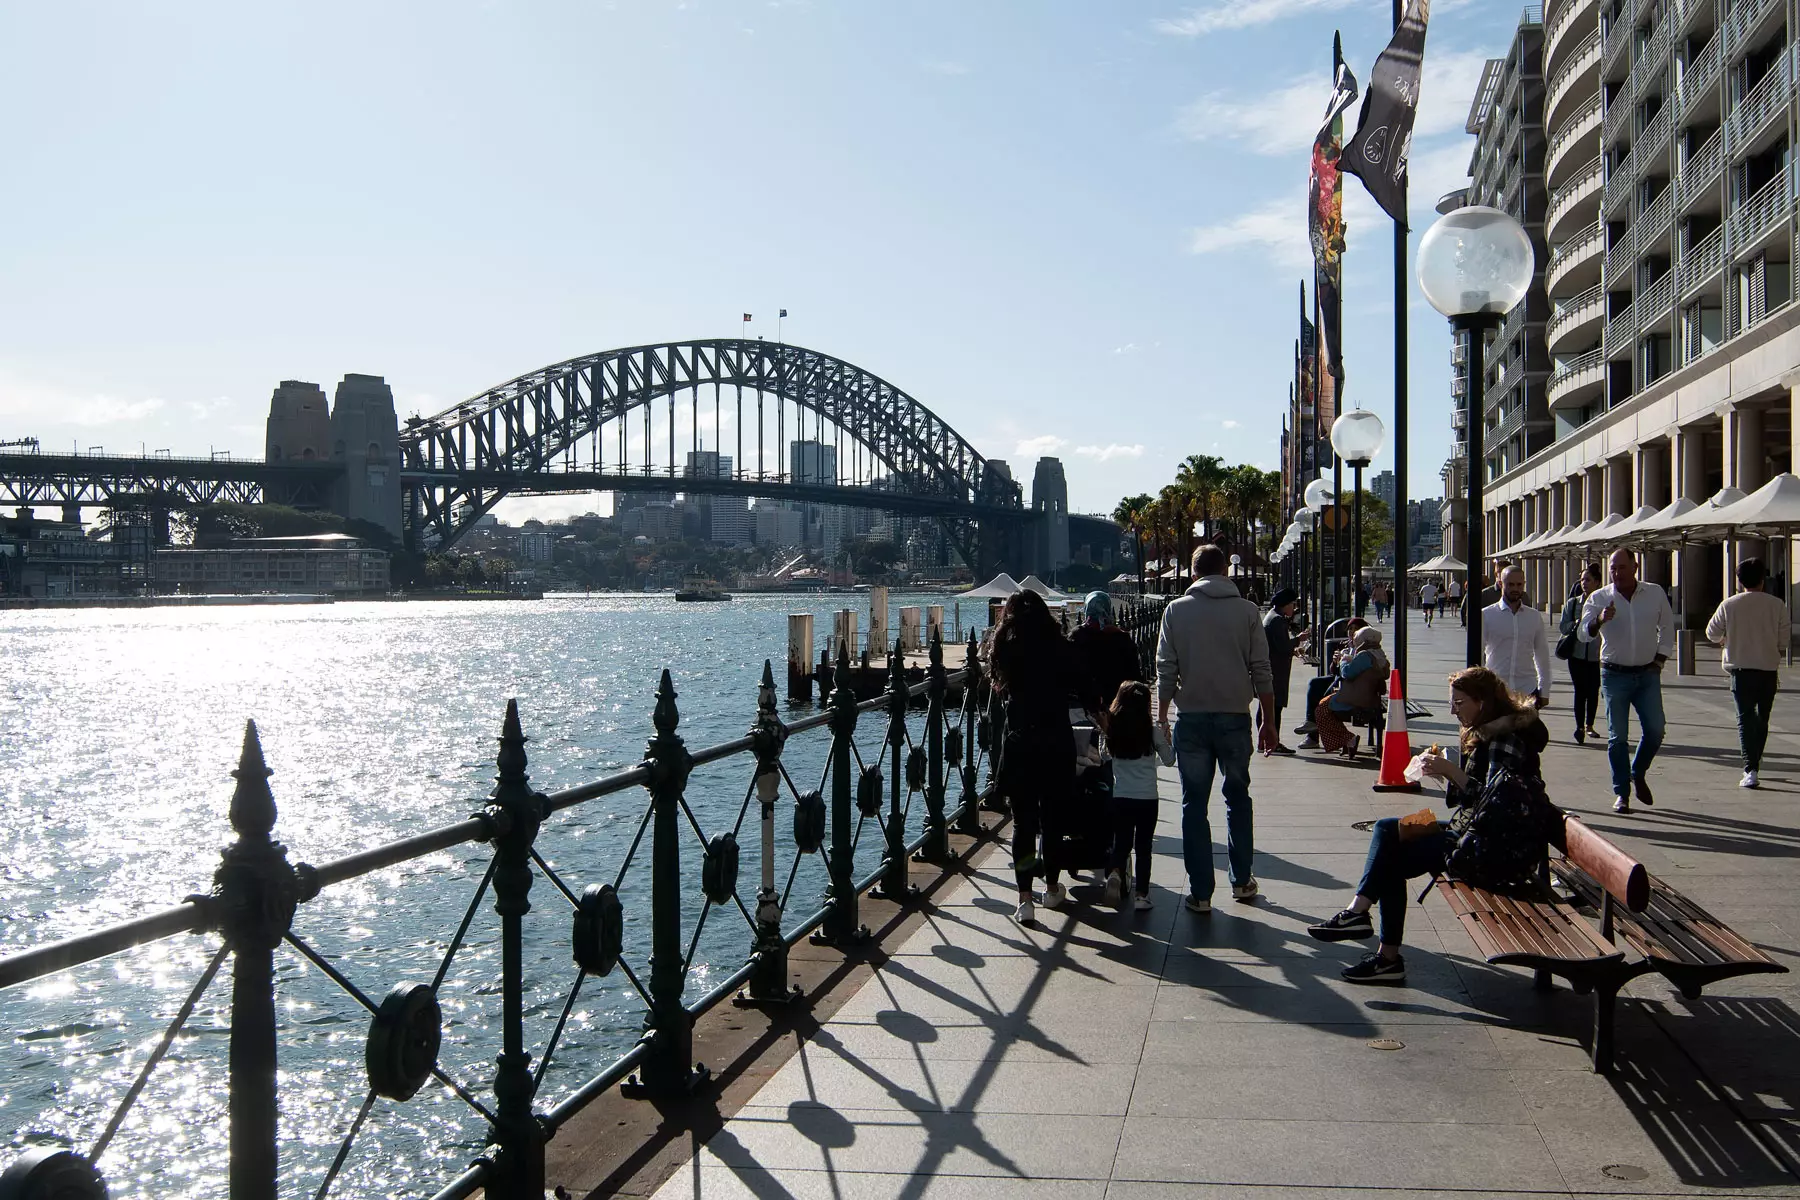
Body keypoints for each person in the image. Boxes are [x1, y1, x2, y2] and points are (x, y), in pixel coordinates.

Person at [1306, 666, 1549, 983]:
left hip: (1491, 849)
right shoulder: (1486, 731)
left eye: (1459, 703)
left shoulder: (1505, 740)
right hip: (1470, 831)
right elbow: (1469, 801)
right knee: (1388, 827)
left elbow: (1495, 804)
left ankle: (1382, 952)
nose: (1453, 710)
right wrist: (1444, 773)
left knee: (1391, 859)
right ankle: (1358, 915)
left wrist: (1451, 771)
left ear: (1483, 702)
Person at [1155, 544, 1275, 913]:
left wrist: (1162, 715)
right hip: (1235, 718)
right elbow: (1262, 669)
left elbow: (1166, 669)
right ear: (1227, 571)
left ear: (1192, 574)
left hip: (1190, 719)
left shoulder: (1175, 611)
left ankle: (1201, 893)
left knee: (1194, 805)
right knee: (1238, 798)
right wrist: (1269, 721)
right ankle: (1241, 880)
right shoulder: (1248, 611)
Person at [990, 589, 1082, 923]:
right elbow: (1078, 684)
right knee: (1053, 821)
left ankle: (1024, 899)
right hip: (1055, 738)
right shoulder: (1059, 645)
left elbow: (998, 684)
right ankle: (1053, 887)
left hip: (1020, 742)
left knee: (1023, 823)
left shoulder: (1006, 646)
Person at [1580, 548, 1675, 813]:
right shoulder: (1599, 598)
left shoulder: (1654, 593)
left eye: (1622, 567)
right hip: (1613, 674)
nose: (1617, 573)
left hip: (1647, 673)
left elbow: (1667, 627)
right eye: (1612, 568)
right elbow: (1582, 634)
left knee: (1656, 730)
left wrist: (1660, 659)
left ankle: (1638, 771)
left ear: (1635, 567)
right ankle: (1622, 793)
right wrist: (1599, 620)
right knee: (1617, 737)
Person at [1705, 557, 1790, 789]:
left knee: (1744, 719)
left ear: (1739, 580)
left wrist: (1725, 639)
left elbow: (1711, 632)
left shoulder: (1729, 604)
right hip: (1767, 670)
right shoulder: (1777, 605)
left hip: (1740, 669)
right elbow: (1784, 641)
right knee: (1762, 718)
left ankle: (1750, 768)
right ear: (1763, 579)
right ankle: (1755, 759)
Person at [1104, 680, 1175, 910]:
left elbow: (1105, 756)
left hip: (1121, 796)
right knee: (1144, 848)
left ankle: (1115, 872)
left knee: (1122, 842)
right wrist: (1167, 738)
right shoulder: (1151, 731)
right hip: (1147, 798)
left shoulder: (1113, 731)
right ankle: (1142, 895)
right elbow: (1169, 759)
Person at [1313, 626, 1389, 757]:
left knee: (1321, 710)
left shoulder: (1365, 656)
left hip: (1357, 697)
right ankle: (1348, 741)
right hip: (1368, 695)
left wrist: (1344, 660)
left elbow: (1347, 673)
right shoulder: (1378, 654)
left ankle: (1349, 740)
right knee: (1323, 703)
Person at [1483, 565, 1552, 708]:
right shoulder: (1486, 615)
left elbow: (1542, 655)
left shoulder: (1533, 617)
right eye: (1510, 584)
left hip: (1526, 689)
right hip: (1496, 689)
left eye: (1519, 584)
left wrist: (1544, 691)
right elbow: (1478, 652)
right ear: (1501, 584)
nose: (1515, 589)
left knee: (1527, 730)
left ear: (1524, 584)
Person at [1069, 590, 1142, 723]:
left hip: (1085, 708)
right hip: (1117, 705)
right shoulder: (1121, 638)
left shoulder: (1077, 636)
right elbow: (1135, 677)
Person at [1295, 616, 1368, 749]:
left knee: (1321, 703)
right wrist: (1335, 663)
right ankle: (1311, 725)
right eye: (1350, 629)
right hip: (1341, 680)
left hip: (1351, 686)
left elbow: (1351, 673)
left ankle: (1314, 734)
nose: (1352, 632)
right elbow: (1335, 671)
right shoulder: (1347, 645)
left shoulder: (1364, 649)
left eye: (1356, 629)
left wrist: (1344, 661)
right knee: (1315, 683)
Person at [1559, 564, 1603, 743]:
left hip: (1595, 655)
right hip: (1576, 654)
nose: (1584, 583)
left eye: (1588, 580)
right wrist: (1578, 623)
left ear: (1597, 582)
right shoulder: (1572, 603)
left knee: (1593, 691)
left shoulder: (1603, 603)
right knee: (1580, 691)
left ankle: (1589, 725)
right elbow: (1563, 626)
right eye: (1582, 580)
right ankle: (1579, 726)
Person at [1262, 588, 1303, 755]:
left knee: (1269, 706)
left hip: (1272, 665)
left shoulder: (1272, 617)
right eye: (1293, 604)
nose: (1294, 608)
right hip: (1276, 669)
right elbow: (1282, 646)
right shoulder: (1277, 620)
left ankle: (1265, 740)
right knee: (1275, 706)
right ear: (1285, 604)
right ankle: (1273, 741)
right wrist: (1298, 640)